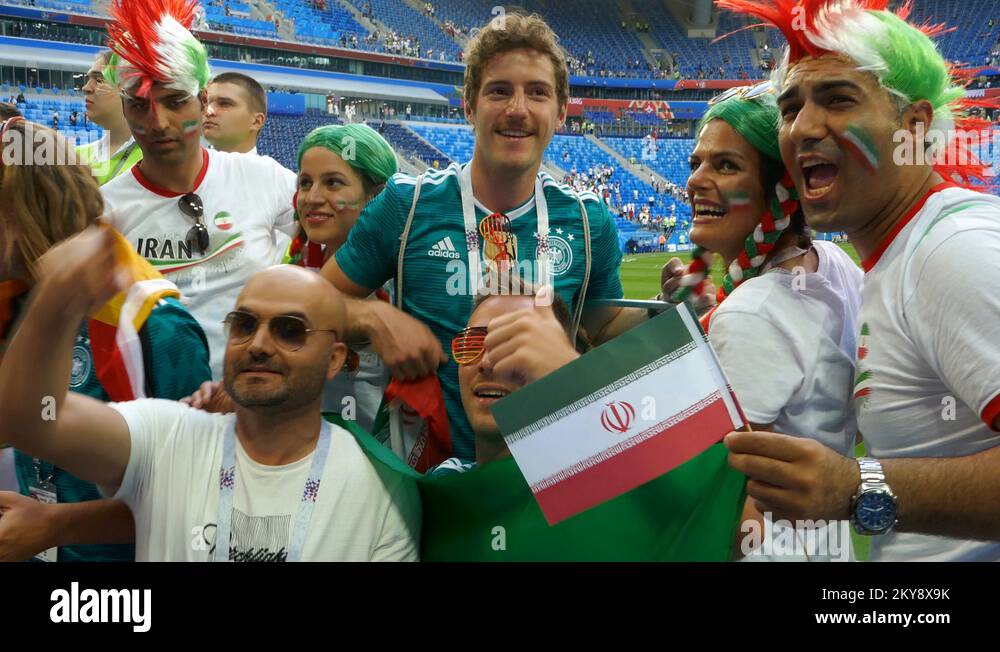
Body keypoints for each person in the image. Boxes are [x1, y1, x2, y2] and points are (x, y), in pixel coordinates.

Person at [319, 12, 679, 462]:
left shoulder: (588, 220)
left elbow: (601, 326)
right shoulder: (407, 205)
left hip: (548, 475)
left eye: (538, 93)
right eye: (499, 90)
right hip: (426, 486)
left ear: (561, 111)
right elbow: (312, 304)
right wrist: (372, 319)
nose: (518, 109)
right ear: (469, 106)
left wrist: (670, 309)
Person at [720, 0, 1000, 561]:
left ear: (914, 126)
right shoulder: (898, 254)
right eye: (790, 107)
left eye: (838, 99)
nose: (802, 127)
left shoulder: (948, 252)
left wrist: (858, 487)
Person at [0, 236, 421, 561]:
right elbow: (33, 421)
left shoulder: (378, 489)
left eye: (290, 330)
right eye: (244, 324)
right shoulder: (169, 435)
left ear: (334, 359)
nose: (259, 344)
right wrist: (54, 303)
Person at [0, 118, 210, 562]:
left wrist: (52, 526)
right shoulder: (18, 300)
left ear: (23, 210)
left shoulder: (154, 326)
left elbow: (197, 501)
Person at [680, 85, 863, 560]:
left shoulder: (751, 312)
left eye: (725, 165)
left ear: (779, 189)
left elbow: (720, 498)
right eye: (696, 162)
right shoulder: (834, 263)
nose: (696, 180)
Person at [101, 0, 297, 378]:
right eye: (140, 106)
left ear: (202, 102)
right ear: (125, 112)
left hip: (259, 403)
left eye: (175, 101)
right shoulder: (104, 213)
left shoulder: (264, 177)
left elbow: (332, 241)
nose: (158, 123)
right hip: (160, 419)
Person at [187, 124, 398, 434]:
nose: (312, 197)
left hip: (374, 461)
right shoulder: (298, 264)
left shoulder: (400, 279)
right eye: (306, 182)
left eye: (333, 183)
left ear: (377, 195)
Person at [76, 50, 144, 185]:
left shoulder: (158, 159)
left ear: (130, 88)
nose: (86, 88)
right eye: (88, 79)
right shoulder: (74, 156)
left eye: (99, 79)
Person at [203, 72, 267, 155]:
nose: (208, 111)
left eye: (224, 104)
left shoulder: (271, 168)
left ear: (256, 121)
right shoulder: (183, 166)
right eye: (205, 103)